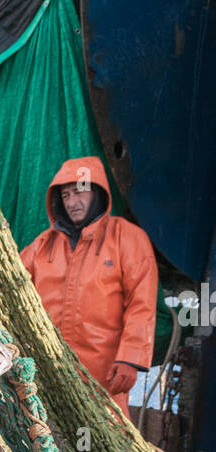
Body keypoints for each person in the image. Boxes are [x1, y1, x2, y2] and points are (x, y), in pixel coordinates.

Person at [20, 157, 158, 416]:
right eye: (65, 195)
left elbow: (142, 303)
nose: (72, 202)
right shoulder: (42, 245)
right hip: (48, 374)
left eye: (80, 191)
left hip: (104, 379)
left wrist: (131, 358)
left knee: (106, 446)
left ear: (97, 192)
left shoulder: (126, 237)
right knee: (46, 439)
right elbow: (6, 283)